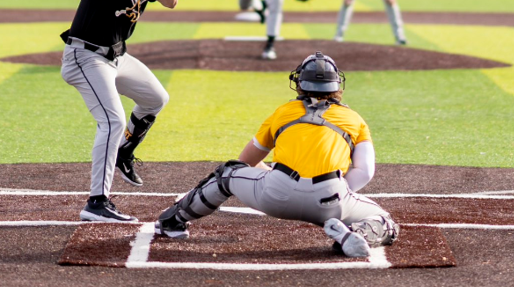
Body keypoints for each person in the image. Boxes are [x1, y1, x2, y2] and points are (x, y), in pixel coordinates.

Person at [154, 52, 399, 259]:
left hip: (276, 193)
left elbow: (244, 162)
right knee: (384, 220)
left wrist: (273, 175)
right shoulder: (355, 119)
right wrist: (336, 194)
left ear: (299, 83)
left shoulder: (283, 112)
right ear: (337, 86)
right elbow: (366, 171)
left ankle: (172, 222)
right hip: (331, 201)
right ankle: (355, 233)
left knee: (226, 174)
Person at [60, 0, 178, 223]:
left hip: (116, 56)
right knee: (112, 121)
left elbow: (170, 1)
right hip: (85, 56)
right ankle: (97, 202)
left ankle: (125, 152)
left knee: (156, 98)